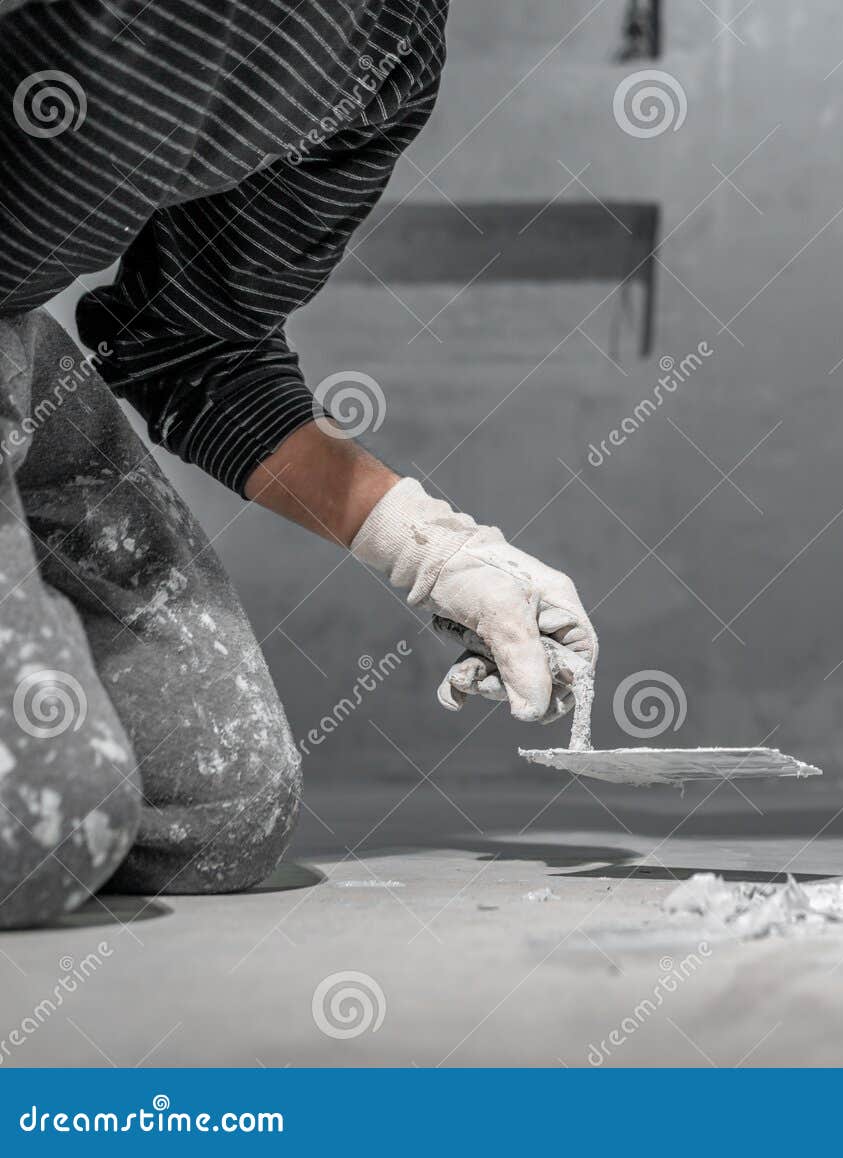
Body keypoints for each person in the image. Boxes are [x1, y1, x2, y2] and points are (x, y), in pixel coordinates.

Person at [0, 0, 595, 928]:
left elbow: (195, 346)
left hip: (12, 345)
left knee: (217, 813)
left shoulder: (383, 44)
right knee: (38, 826)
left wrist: (435, 549)